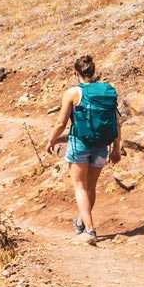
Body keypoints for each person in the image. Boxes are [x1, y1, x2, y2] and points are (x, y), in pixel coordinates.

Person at [47, 54, 120, 243]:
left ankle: (90, 231)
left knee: (80, 187)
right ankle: (81, 222)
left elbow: (61, 122)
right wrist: (116, 148)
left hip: (79, 143)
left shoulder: (73, 93)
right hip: (102, 145)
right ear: (94, 71)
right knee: (91, 187)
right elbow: (116, 121)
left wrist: (51, 140)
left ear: (76, 73)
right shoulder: (107, 90)